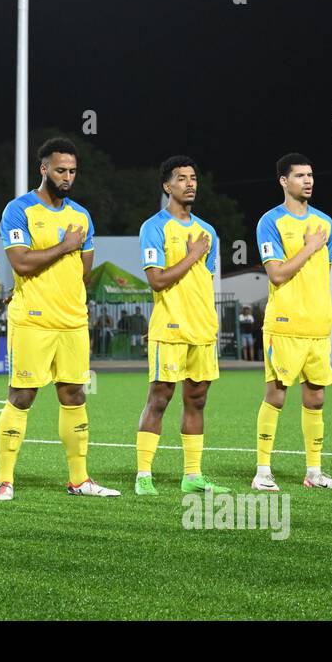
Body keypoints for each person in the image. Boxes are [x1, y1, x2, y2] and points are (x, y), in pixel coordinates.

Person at [0, 136, 119, 499]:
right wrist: (64, 246)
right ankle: (4, 480)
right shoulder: (18, 210)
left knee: (74, 394)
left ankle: (79, 479)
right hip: (32, 319)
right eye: (60, 169)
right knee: (22, 395)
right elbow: (20, 261)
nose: (67, 177)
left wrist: (64, 261)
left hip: (73, 321)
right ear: (43, 168)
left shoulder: (82, 215)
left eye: (73, 171)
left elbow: (84, 273)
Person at [134, 156, 229, 496]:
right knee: (159, 398)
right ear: (167, 186)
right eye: (182, 178)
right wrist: (191, 255)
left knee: (197, 400)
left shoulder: (209, 232)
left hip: (202, 328)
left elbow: (204, 281)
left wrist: (198, 255)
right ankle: (144, 474)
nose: (190, 183)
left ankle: (192, 475)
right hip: (170, 328)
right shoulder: (153, 227)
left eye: (193, 178)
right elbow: (156, 281)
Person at [252, 153, 332, 491]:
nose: (308, 180)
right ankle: (263, 472)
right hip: (284, 322)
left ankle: (314, 472)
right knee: (276, 394)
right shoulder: (270, 222)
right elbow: (276, 274)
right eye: (300, 176)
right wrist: (308, 248)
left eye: (310, 175)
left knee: (316, 398)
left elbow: (325, 273)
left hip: (318, 326)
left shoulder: (326, 223)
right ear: (283, 181)